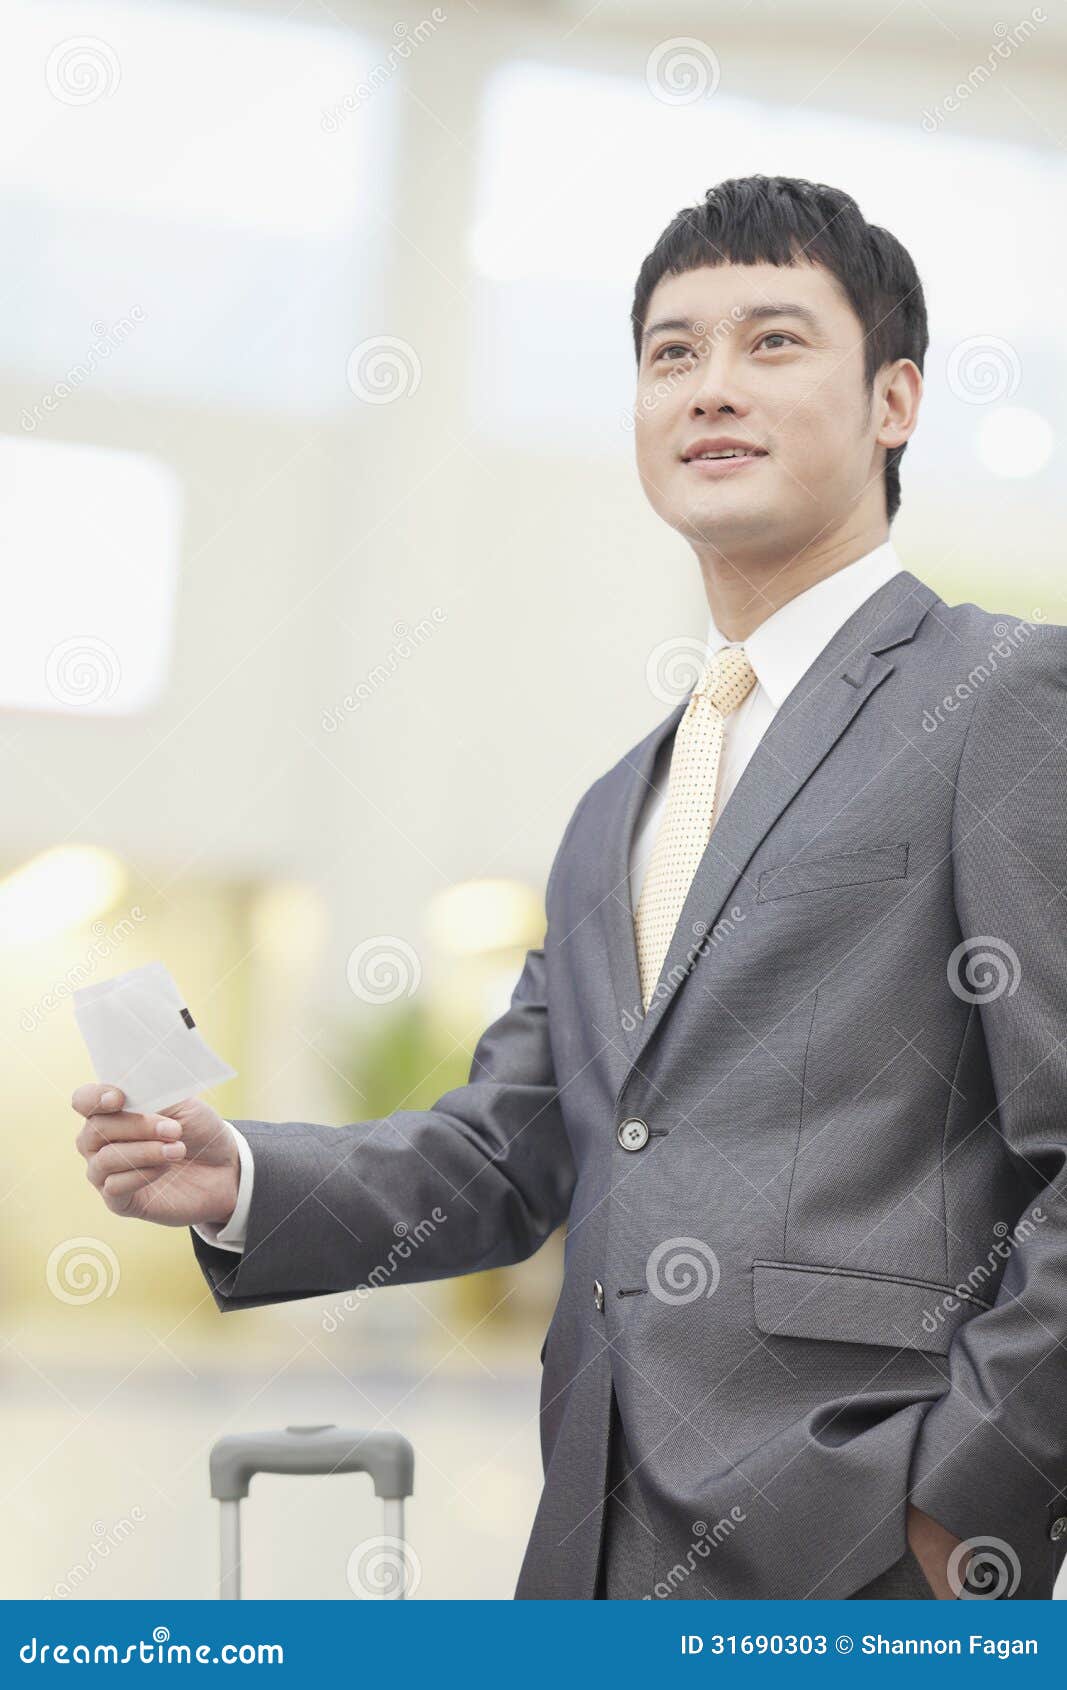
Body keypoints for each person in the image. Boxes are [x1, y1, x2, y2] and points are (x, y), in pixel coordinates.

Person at [72, 175, 1067, 1602]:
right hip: (595, 1542)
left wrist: (959, 1509)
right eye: (672, 353)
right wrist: (238, 1176)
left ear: (895, 401)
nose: (711, 387)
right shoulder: (628, 801)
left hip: (868, 1553)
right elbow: (512, 1145)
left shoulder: (999, 696)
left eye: (773, 342)